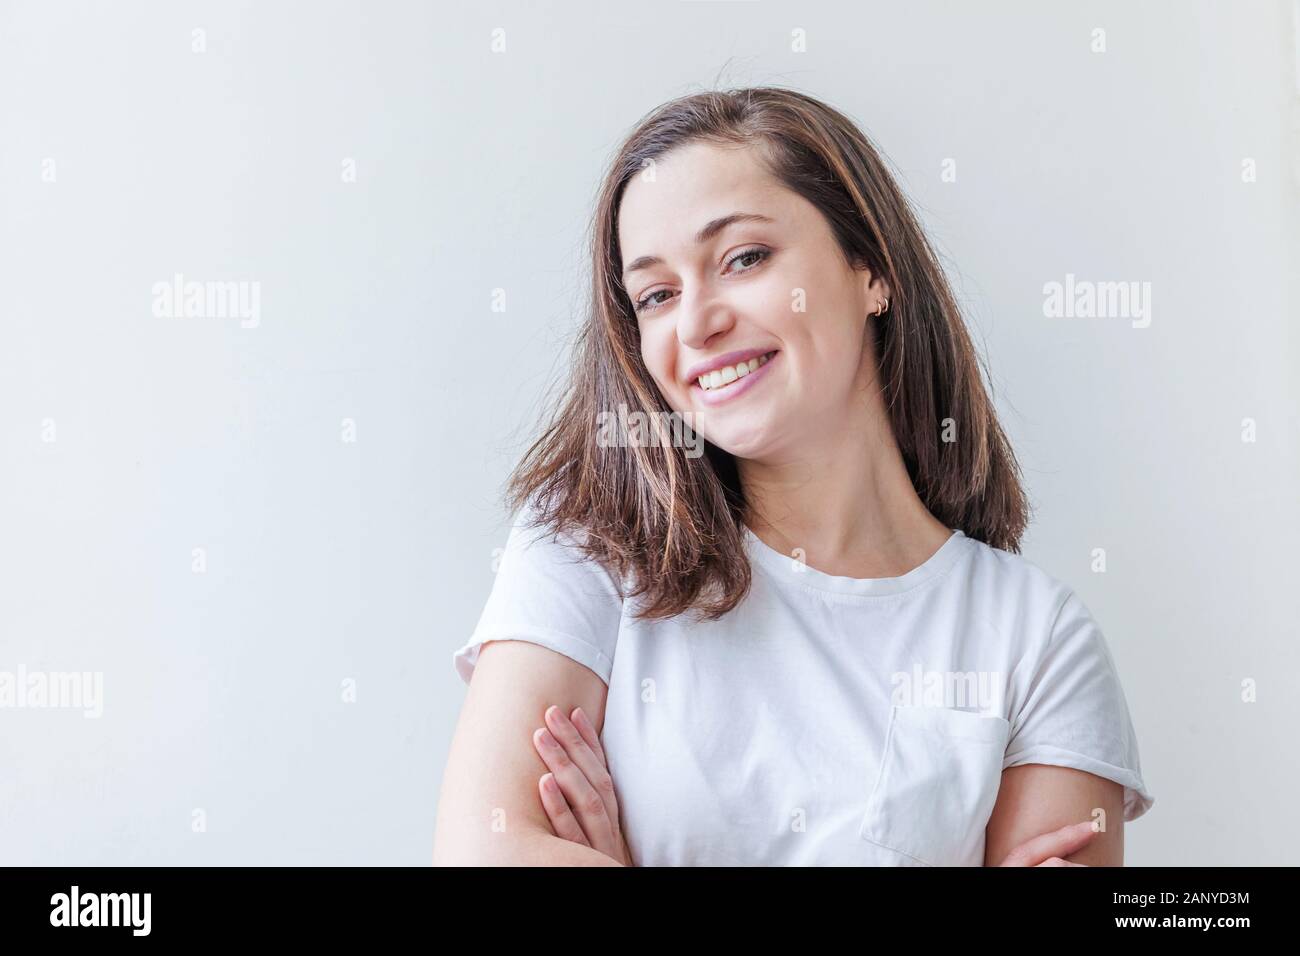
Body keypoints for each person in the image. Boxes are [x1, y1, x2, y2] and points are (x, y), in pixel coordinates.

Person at [432, 87, 1153, 866]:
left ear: (870, 268)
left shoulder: (1038, 639)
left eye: (743, 258)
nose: (697, 322)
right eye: (656, 295)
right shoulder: (589, 550)